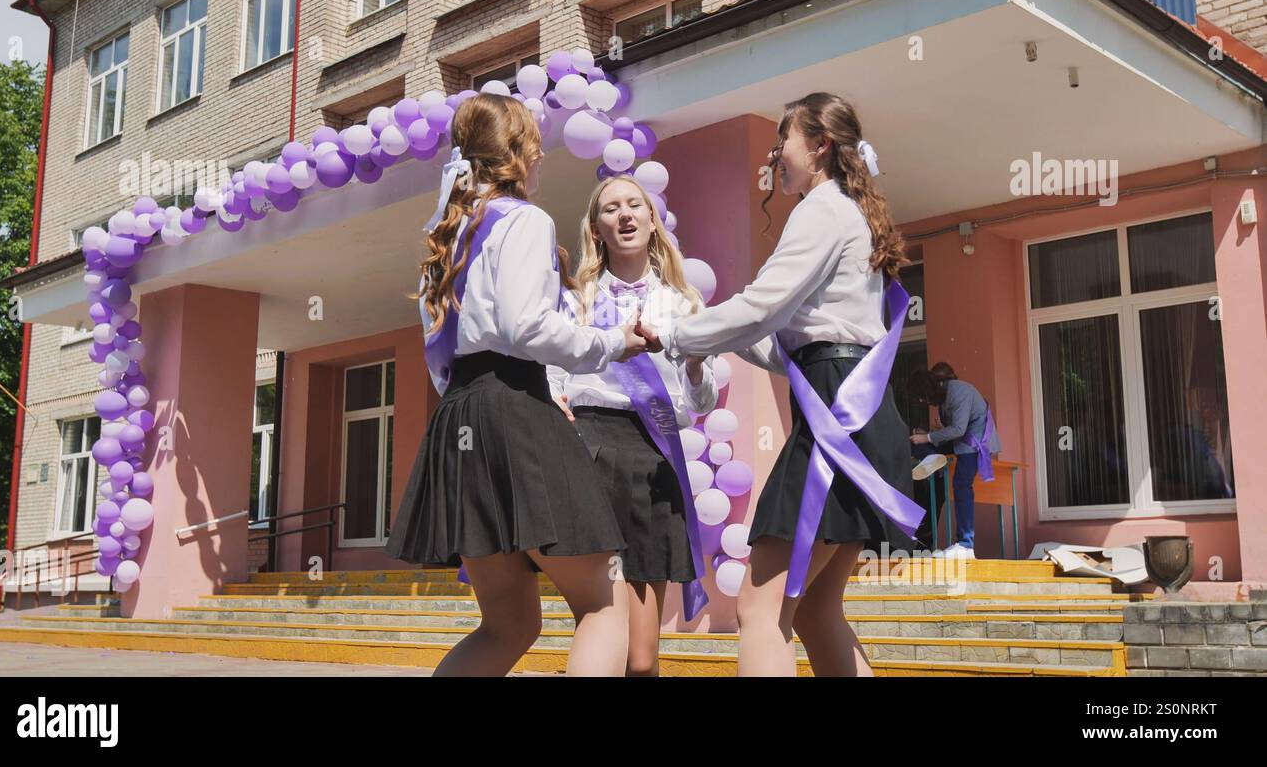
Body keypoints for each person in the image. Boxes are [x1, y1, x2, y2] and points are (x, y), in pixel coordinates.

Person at [637, 92, 924, 676]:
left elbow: (764, 307)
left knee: (759, 609)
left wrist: (677, 334)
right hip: (851, 407)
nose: (774, 155)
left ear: (818, 146)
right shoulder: (847, 209)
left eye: (783, 140)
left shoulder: (820, 207)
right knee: (818, 611)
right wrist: (708, 323)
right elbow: (788, 344)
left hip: (833, 423)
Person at [383, 94, 649, 676]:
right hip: (512, 405)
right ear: (520, 151)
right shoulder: (525, 219)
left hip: (459, 413)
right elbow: (526, 326)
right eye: (535, 144)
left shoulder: (446, 234)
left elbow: (444, 347)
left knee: (509, 624)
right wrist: (610, 343)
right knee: (602, 603)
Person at [547, 174, 719, 676]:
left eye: (633, 205)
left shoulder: (683, 302)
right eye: (610, 208)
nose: (623, 215)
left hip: (656, 457)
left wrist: (691, 365)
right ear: (596, 228)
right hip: (593, 447)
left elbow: (698, 403)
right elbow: (552, 372)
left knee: (642, 661)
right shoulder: (576, 298)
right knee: (607, 631)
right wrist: (557, 404)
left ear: (651, 219)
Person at [906, 362, 1002, 559]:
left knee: (961, 485)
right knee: (915, 443)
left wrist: (929, 437)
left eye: (924, 398)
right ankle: (933, 461)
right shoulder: (943, 395)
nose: (926, 402)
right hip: (957, 441)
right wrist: (930, 434)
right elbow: (951, 430)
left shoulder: (960, 391)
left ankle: (966, 544)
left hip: (973, 443)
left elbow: (958, 429)